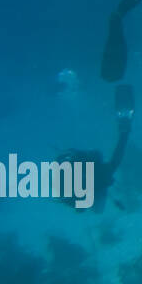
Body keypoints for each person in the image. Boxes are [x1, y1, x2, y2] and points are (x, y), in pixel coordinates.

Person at [54, 84, 133, 212]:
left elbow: (115, 158)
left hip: (82, 179)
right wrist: (124, 132)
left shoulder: (95, 178)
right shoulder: (96, 177)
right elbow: (116, 157)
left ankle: (124, 124)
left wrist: (124, 132)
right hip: (82, 179)